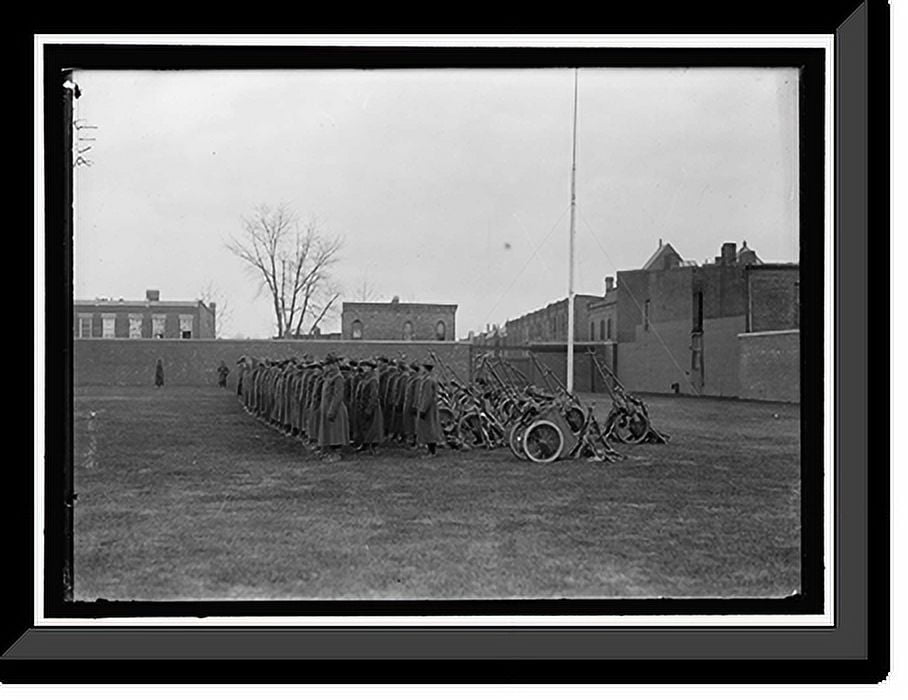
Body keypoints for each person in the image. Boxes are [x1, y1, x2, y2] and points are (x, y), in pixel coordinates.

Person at [318, 355, 350, 461]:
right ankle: (329, 452)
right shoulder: (328, 376)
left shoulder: (338, 377)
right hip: (327, 408)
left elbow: (338, 395)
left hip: (335, 410)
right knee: (329, 433)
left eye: (328, 365)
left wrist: (332, 410)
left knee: (335, 433)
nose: (326, 367)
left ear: (334, 365)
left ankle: (337, 454)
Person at [416, 361, 443, 457]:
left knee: (429, 429)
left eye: (422, 368)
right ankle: (430, 450)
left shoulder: (428, 381)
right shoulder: (430, 379)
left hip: (428, 409)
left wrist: (422, 409)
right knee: (429, 428)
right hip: (430, 407)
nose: (420, 370)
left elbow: (427, 396)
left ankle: (432, 451)